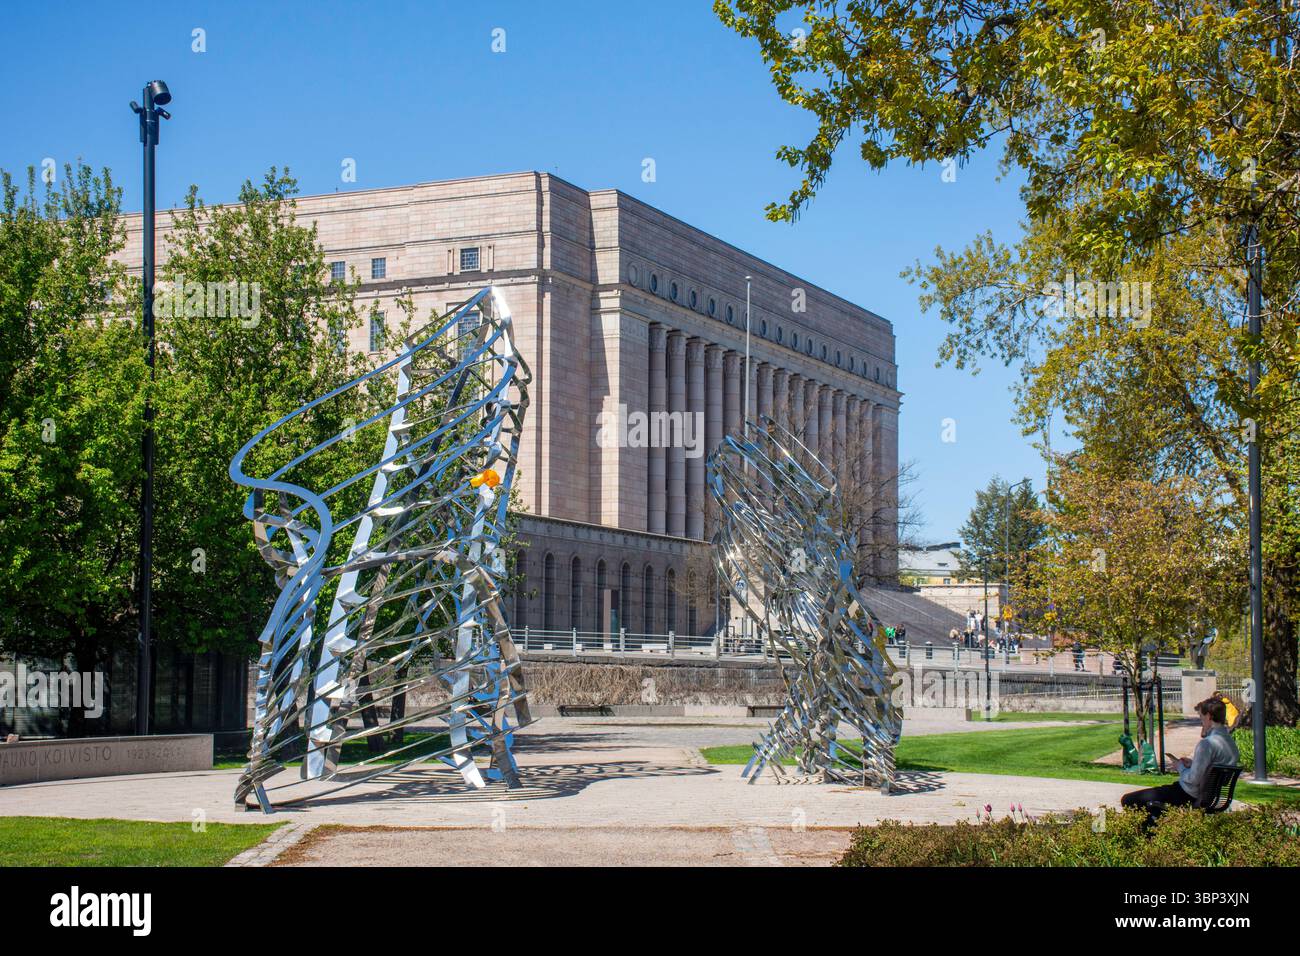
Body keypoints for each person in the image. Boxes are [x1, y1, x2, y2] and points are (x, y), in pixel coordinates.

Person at [1120, 697, 1240, 827]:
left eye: (1201, 717)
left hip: (1187, 794)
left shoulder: (1207, 744)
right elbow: (1213, 772)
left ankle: (1149, 838)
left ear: (1209, 717)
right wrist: (1193, 764)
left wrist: (1180, 767)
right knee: (1150, 804)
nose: (1201, 722)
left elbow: (1192, 779)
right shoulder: (1231, 744)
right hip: (1211, 797)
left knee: (1129, 799)